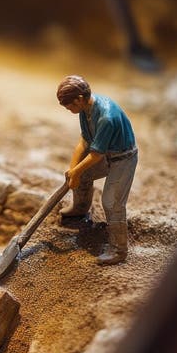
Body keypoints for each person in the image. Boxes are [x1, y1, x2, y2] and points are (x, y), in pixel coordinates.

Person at [58, 75, 137, 265]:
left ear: (78, 99)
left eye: (69, 106)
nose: (69, 110)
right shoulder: (86, 110)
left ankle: (119, 250)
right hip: (106, 154)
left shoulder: (106, 117)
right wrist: (73, 170)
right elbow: (84, 141)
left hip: (122, 158)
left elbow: (96, 155)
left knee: (111, 202)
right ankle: (80, 209)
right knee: (82, 173)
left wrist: (76, 172)